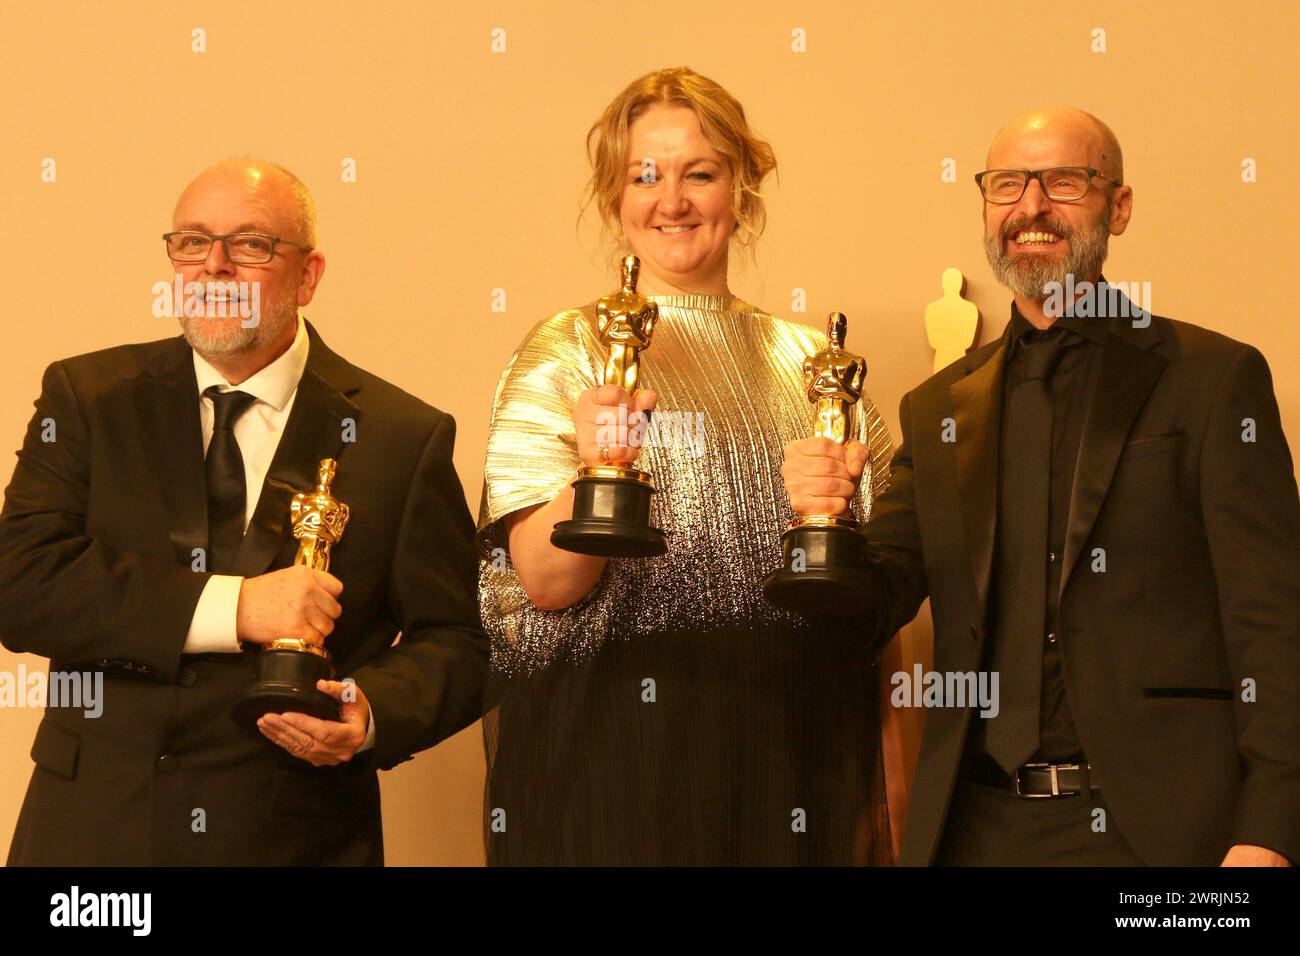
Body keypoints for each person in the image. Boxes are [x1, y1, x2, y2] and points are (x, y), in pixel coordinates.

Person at [783, 107, 1300, 866]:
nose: (1031, 207)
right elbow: (872, 607)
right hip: (976, 832)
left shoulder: (1215, 379)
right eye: (1007, 185)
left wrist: (1269, 837)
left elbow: (1274, 626)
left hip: (1164, 837)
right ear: (987, 207)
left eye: (1063, 181)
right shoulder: (937, 409)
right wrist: (821, 530)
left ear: (1117, 206)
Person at [0, 159, 488, 865]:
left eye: (250, 245)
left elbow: (459, 640)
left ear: (308, 276)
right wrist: (238, 607)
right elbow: (18, 584)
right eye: (192, 243)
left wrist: (369, 711)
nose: (214, 267)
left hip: (293, 839)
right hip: (93, 839)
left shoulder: (401, 435)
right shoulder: (88, 395)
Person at [476, 67, 895, 865]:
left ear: (742, 190)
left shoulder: (818, 367)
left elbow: (877, 600)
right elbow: (545, 583)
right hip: (603, 764)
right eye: (645, 176)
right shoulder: (565, 351)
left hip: (788, 758)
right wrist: (596, 468)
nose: (672, 201)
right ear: (614, 198)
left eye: (699, 173)